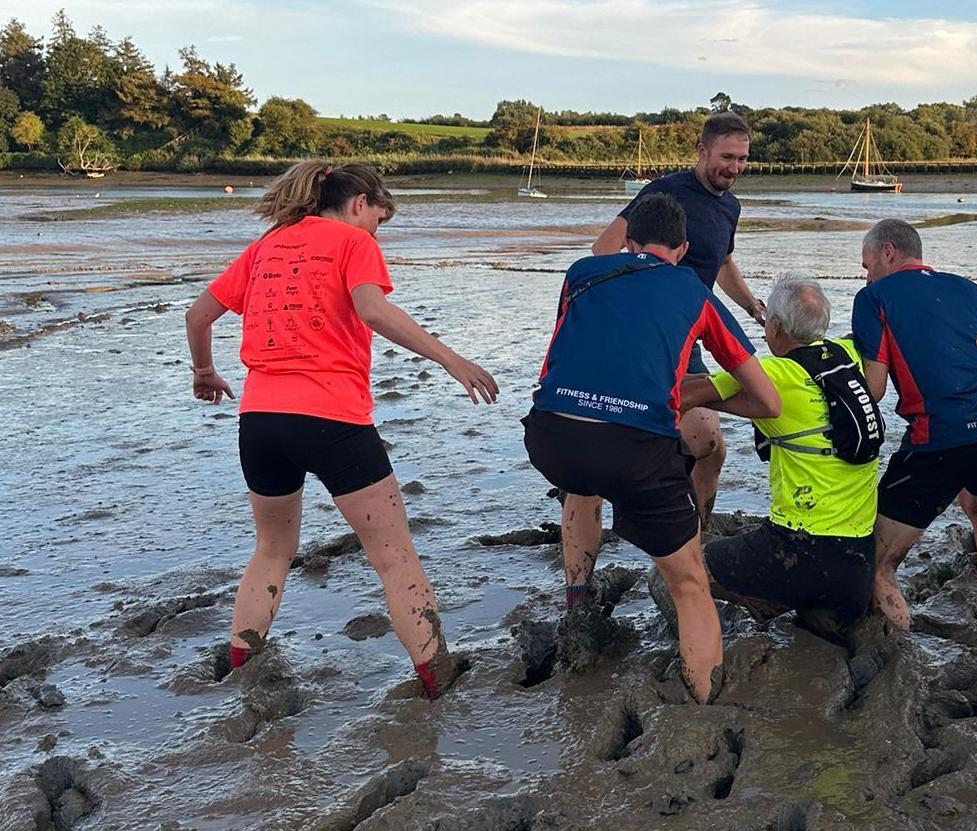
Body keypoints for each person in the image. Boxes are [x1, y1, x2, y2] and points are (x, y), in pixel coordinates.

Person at [184, 162, 499, 699]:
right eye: (378, 218)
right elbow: (372, 310)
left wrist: (204, 372)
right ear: (359, 204)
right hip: (333, 418)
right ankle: (436, 677)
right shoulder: (353, 243)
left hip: (260, 422)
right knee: (394, 556)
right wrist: (452, 360)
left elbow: (197, 316)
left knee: (272, 550)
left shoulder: (266, 246)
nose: (377, 230)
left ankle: (241, 670)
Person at [525, 193, 780, 704]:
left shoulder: (580, 274)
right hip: (633, 451)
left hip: (550, 437)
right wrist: (695, 395)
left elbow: (565, 353)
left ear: (628, 242)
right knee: (689, 585)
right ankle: (702, 705)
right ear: (682, 250)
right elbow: (767, 401)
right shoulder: (693, 291)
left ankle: (577, 599)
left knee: (583, 484)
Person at [851, 219, 977, 631]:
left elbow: (873, 389)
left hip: (942, 439)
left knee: (876, 561)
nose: (866, 275)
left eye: (867, 265)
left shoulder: (873, 298)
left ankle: (891, 651)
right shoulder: (973, 291)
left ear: (888, 252)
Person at [591, 112, 765, 525]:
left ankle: (694, 533)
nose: (735, 167)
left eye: (742, 159)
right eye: (726, 157)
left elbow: (722, 264)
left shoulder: (730, 207)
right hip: (643, 338)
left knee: (709, 446)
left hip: (690, 340)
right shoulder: (664, 191)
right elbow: (604, 250)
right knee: (618, 443)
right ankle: (602, 504)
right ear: (702, 151)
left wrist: (752, 306)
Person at [679, 274, 878, 636]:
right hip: (858, 562)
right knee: (820, 638)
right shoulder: (847, 355)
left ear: (774, 325)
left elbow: (687, 395)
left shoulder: (772, 373)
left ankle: (708, 644)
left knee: (673, 574)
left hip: (798, 549)